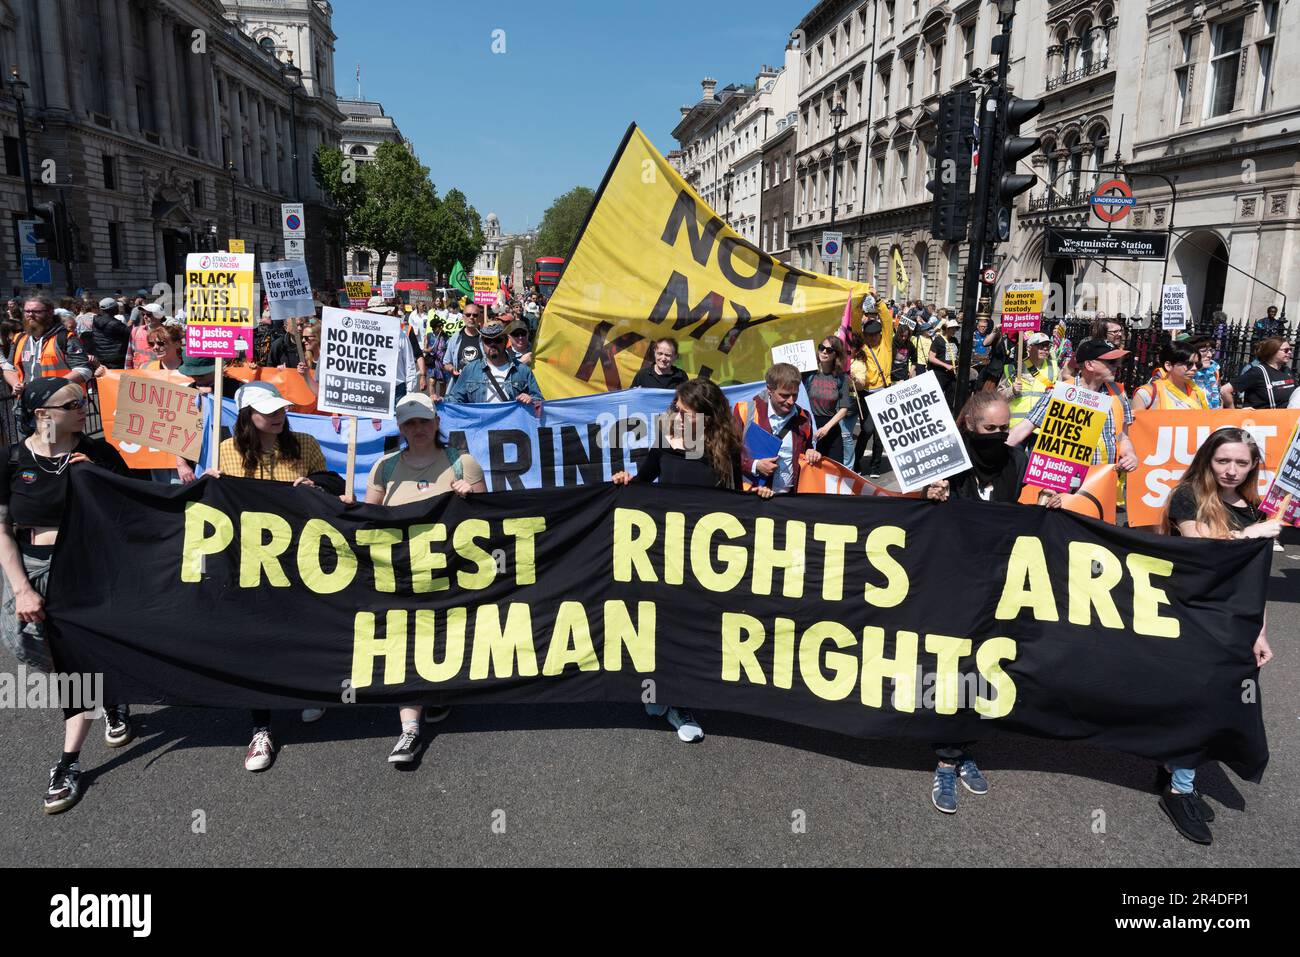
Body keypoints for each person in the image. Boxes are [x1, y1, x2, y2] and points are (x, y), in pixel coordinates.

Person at [922, 391, 1061, 812]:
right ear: (969, 426)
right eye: (990, 429)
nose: (999, 437)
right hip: (948, 584)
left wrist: (1048, 502)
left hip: (998, 585)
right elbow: (906, 520)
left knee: (986, 667)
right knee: (950, 667)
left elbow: (1030, 504)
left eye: (1004, 429)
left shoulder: (1016, 462)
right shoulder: (946, 463)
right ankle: (946, 759)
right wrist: (928, 498)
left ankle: (964, 747)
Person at [0, 377, 134, 814]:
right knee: (37, 653)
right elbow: (2, 529)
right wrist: (21, 589)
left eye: (84, 401)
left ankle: (68, 764)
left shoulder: (97, 453)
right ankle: (109, 696)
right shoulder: (12, 459)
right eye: (73, 403)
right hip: (33, 571)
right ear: (43, 415)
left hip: (88, 572)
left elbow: (135, 509)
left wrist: (94, 476)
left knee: (73, 667)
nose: (84, 407)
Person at [613, 378, 773, 742]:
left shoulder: (726, 444)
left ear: (706, 416)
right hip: (665, 547)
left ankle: (678, 699)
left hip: (706, 553)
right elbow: (646, 477)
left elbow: (732, 498)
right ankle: (665, 694)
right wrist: (627, 481)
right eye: (675, 409)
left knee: (694, 626)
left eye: (684, 412)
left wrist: (757, 495)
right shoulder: (665, 434)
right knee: (664, 624)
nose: (676, 416)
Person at [1157, 427, 1277, 844]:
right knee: (1202, 701)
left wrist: (1260, 632)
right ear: (1208, 459)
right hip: (1190, 615)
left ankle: (1177, 771)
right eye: (1223, 460)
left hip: (1233, 621)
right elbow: (1202, 553)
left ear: (1253, 465)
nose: (1231, 470)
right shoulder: (1187, 496)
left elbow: (1253, 579)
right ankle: (1179, 787)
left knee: (1218, 702)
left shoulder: (1256, 507)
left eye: (1241, 462)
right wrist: (1249, 535)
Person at [207, 381, 338, 764]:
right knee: (253, 638)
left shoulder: (306, 445)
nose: (280, 415)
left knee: (304, 626)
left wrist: (316, 484)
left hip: (299, 554)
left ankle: (307, 690)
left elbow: (333, 483)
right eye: (270, 411)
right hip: (250, 560)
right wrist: (210, 485)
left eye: (282, 409)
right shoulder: (226, 453)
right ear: (249, 416)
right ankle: (260, 725)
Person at [365, 392, 487, 762]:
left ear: (437, 423)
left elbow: (492, 521)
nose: (417, 429)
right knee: (405, 643)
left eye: (423, 421)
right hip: (401, 576)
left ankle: (437, 693)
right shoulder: (383, 467)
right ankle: (409, 731)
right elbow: (364, 521)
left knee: (441, 644)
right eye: (409, 423)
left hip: (450, 577)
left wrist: (471, 498)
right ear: (400, 427)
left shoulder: (463, 463)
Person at [1007, 339, 1138, 476]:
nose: (1118, 366)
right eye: (1111, 362)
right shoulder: (1062, 392)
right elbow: (1024, 427)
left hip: (1102, 483)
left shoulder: (1118, 393)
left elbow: (1123, 437)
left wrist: (1130, 454)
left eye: (1118, 361)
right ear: (1089, 365)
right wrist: (991, 456)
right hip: (1065, 484)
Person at [732, 362, 822, 493]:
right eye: (784, 395)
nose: (791, 401)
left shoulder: (804, 417)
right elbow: (728, 453)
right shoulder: (744, 411)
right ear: (770, 389)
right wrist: (755, 465)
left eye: (795, 395)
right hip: (753, 494)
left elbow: (807, 448)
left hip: (790, 497)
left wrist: (811, 453)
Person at [444, 320, 543, 405]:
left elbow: (539, 401)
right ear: (482, 342)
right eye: (488, 340)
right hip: (481, 425)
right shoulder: (470, 370)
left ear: (505, 341)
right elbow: (455, 400)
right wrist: (439, 402)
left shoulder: (523, 370)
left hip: (512, 426)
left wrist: (531, 399)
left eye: (498, 340)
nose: (493, 344)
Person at [10, 297, 93, 393]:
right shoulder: (20, 339)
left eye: (36, 311)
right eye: (27, 311)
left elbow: (84, 370)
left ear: (50, 313)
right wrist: (15, 384)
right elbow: (9, 368)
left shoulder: (65, 338)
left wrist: (52, 386)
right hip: (27, 401)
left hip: (59, 403)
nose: (30, 315)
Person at [803, 337, 852, 466]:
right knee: (810, 469)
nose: (824, 352)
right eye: (821, 348)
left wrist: (827, 427)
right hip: (809, 425)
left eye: (829, 350)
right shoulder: (807, 373)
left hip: (830, 427)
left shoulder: (841, 377)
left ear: (835, 354)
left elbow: (844, 408)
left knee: (834, 470)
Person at [1000, 332, 1060, 428]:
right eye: (1040, 346)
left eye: (1048, 346)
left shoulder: (1054, 368)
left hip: (1040, 429)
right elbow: (997, 398)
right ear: (1029, 348)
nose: (1045, 349)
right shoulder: (1014, 369)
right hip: (1015, 428)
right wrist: (1012, 390)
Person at [1133, 343, 1211, 410]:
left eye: (1197, 364)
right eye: (1189, 364)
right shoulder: (1146, 393)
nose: (1194, 368)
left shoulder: (1197, 391)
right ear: (1168, 365)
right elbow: (1136, 426)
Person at [1222, 338, 1295, 409]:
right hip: (1262, 420)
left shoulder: (1286, 370)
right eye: (1286, 350)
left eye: (1290, 350)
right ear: (1272, 351)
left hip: (1285, 419)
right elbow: (1224, 390)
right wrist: (1234, 412)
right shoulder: (1258, 372)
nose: (1290, 352)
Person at [443, 303, 483, 380]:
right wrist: (452, 369)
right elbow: (446, 362)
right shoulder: (455, 338)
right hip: (459, 385)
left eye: (475, 315)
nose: (471, 317)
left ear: (479, 318)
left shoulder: (486, 338)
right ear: (463, 317)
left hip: (480, 385)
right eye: (468, 315)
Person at [88, 297, 129, 370]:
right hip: (116, 360)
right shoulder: (115, 324)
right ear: (113, 309)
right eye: (116, 307)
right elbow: (130, 334)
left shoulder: (95, 320)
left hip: (100, 358)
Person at [928, 316, 960, 403]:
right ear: (946, 329)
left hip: (952, 374)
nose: (954, 331)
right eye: (952, 329)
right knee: (937, 398)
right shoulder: (938, 340)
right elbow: (931, 358)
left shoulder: (955, 340)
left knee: (950, 397)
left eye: (955, 329)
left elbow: (956, 354)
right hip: (940, 374)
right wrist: (945, 365)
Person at [126, 303, 165, 369]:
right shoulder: (136, 331)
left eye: (149, 314)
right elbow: (129, 354)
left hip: (158, 372)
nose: (145, 317)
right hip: (138, 372)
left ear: (159, 316)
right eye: (143, 314)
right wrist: (127, 371)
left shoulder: (167, 332)